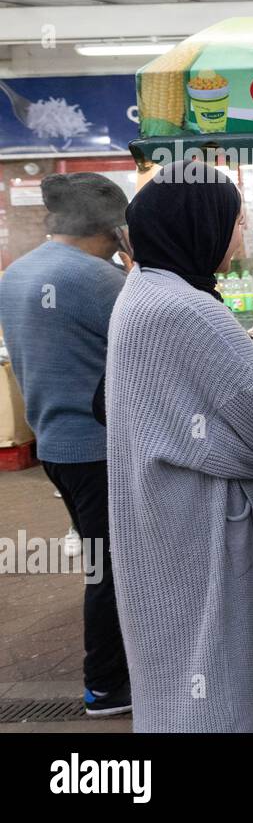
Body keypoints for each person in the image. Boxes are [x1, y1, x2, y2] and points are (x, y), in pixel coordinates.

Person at [106, 161, 253, 732]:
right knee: (218, 661)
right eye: (235, 221)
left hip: (162, 512)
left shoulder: (145, 288)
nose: (239, 234)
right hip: (203, 520)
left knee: (180, 661)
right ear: (200, 223)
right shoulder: (188, 310)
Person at [0, 173, 131, 717]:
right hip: (100, 447)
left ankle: (111, 676)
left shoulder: (18, 271)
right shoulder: (99, 280)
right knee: (116, 571)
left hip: (55, 444)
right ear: (113, 226)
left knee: (101, 563)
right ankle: (105, 685)